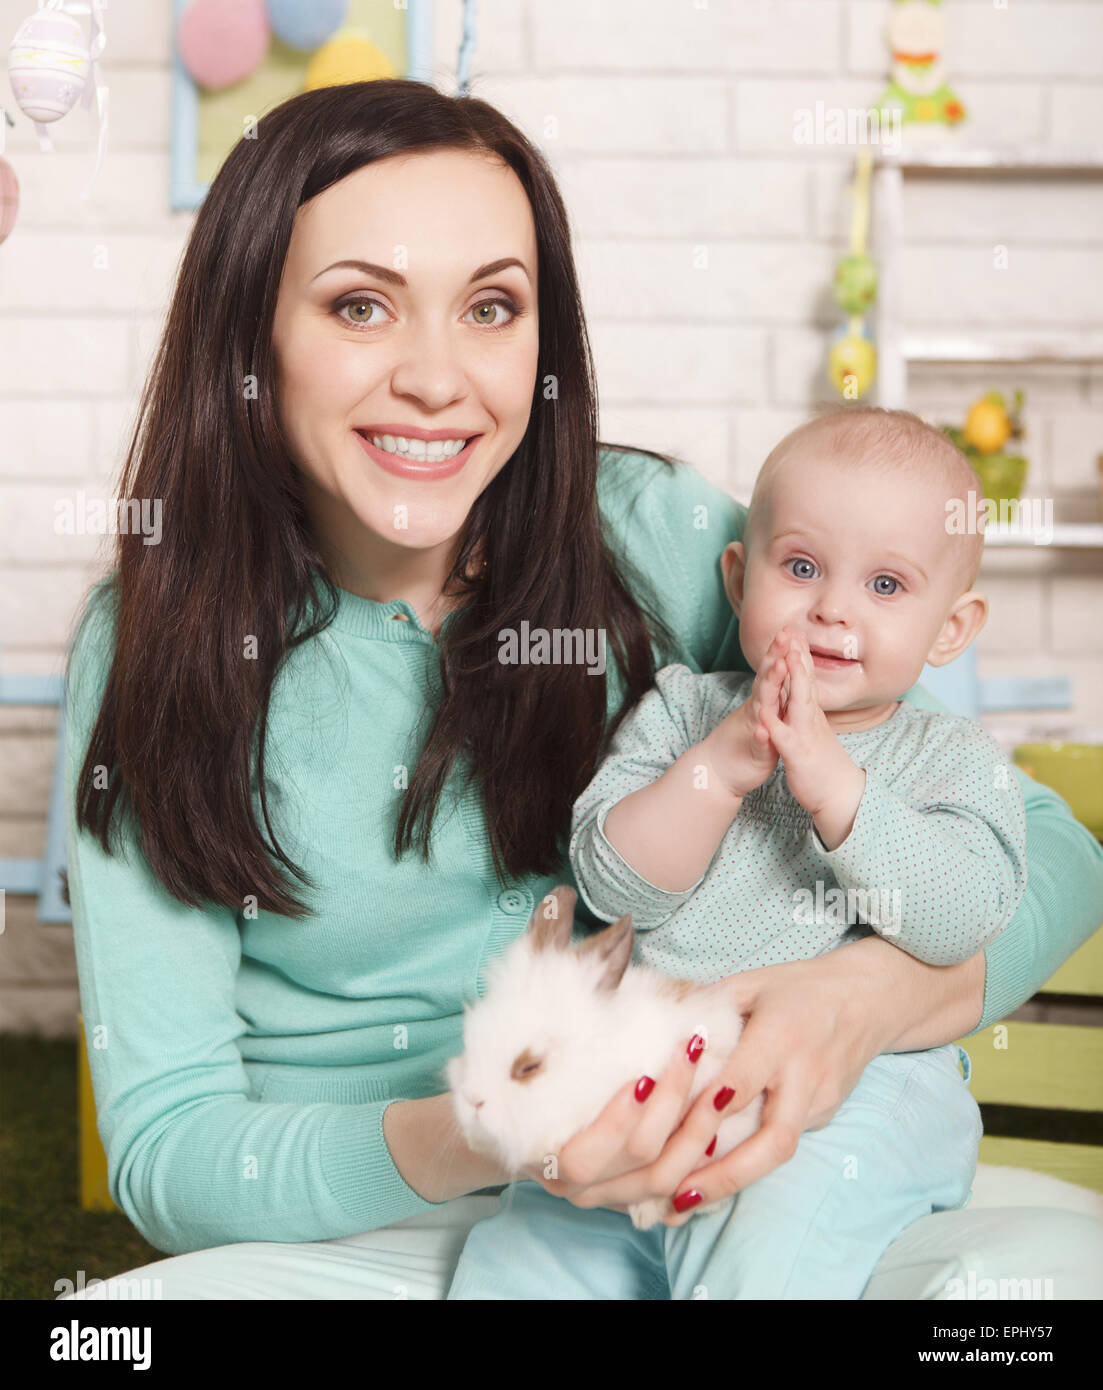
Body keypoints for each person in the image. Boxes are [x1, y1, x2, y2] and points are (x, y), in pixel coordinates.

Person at [61, 80, 1103, 1301]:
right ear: (251, 337)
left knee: (1033, 1291)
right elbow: (170, 1146)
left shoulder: (655, 535)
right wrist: (492, 1130)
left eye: (492, 307)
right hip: (384, 1223)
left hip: (751, 1162)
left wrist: (860, 1000)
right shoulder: (153, 641)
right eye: (360, 306)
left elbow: (1047, 848)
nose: (438, 380)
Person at [448, 406, 1027, 1299]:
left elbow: (960, 920)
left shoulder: (952, 762)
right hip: (662, 1080)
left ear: (950, 629)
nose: (832, 606)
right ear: (736, 577)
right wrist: (716, 772)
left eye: (885, 586)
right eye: (800, 567)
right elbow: (612, 881)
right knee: (528, 1253)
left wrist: (835, 786)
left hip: (864, 1091)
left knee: (769, 1240)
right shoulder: (684, 711)